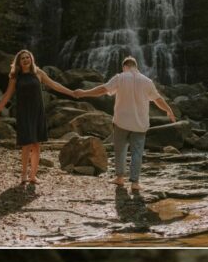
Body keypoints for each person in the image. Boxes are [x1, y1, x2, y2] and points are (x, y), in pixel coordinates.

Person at [74, 56, 176, 193]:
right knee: (137, 153)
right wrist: (169, 110)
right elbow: (158, 99)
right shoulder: (147, 81)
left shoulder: (120, 77)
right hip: (140, 124)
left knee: (120, 151)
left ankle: (120, 178)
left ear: (124, 67)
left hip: (121, 122)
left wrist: (84, 93)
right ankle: (135, 183)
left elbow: (103, 90)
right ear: (136, 66)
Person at [0, 49, 78, 187]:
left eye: (27, 57)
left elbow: (54, 85)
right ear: (19, 61)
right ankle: (23, 174)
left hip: (37, 112)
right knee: (27, 143)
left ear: (31, 59)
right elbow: (7, 95)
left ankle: (33, 175)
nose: (25, 60)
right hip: (24, 113)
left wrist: (71, 92)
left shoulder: (38, 73)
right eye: (23, 58)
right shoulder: (15, 77)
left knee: (36, 144)